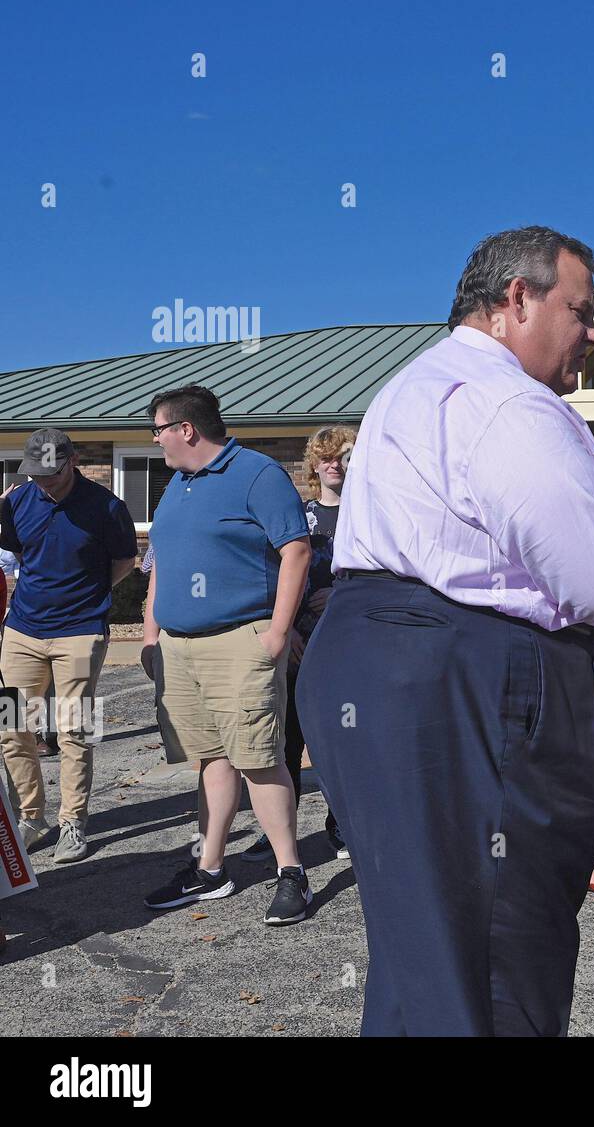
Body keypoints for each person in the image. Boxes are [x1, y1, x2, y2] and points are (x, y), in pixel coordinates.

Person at [295, 226, 594, 1036]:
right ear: (516, 299)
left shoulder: (407, 390)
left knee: (427, 946)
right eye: (581, 310)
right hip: (463, 673)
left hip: (382, 658)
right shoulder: (507, 399)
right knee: (498, 947)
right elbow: (587, 560)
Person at [139, 385, 313, 925]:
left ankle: (291, 873)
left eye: (158, 430)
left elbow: (297, 550)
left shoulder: (258, 474)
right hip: (180, 646)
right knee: (212, 759)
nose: (156, 441)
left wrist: (277, 632)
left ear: (185, 429)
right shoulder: (177, 484)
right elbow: (160, 560)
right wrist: (151, 634)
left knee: (259, 758)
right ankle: (210, 870)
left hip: (240, 639)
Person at [0, 431, 137, 862]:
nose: (44, 482)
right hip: (21, 631)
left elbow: (124, 561)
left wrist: (91, 597)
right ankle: (32, 817)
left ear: (73, 461)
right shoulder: (16, 503)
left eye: (52, 473)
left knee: (75, 729)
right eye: (35, 474)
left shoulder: (107, 506)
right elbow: (18, 554)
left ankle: (72, 823)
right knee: (11, 727)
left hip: (80, 632)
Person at [243, 425, 356, 863]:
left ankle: (342, 824)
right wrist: (283, 627)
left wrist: (345, 594)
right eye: (324, 457)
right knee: (284, 741)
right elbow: (272, 575)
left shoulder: (372, 514)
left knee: (339, 739)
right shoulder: (299, 517)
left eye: (342, 455)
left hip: (348, 644)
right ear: (313, 464)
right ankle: (278, 831)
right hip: (297, 644)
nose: (333, 463)